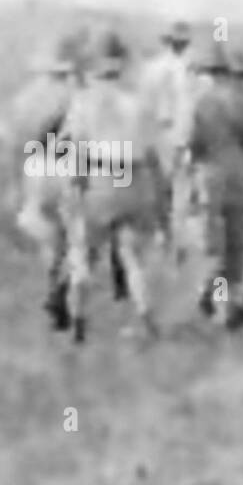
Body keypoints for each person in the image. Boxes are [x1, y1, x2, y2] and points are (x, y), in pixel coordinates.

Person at [56, 30, 163, 342]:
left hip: (100, 177)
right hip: (133, 176)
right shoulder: (138, 102)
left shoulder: (85, 102)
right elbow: (153, 152)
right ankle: (145, 317)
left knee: (84, 253)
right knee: (133, 257)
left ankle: (78, 320)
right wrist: (159, 196)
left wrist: (74, 187)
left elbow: (72, 146)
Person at [176, 42, 243, 329]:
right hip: (239, 172)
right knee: (235, 247)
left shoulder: (199, 101)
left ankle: (216, 300)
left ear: (204, 71)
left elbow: (188, 141)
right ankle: (231, 302)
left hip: (209, 175)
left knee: (214, 248)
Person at [9, 35, 84, 329]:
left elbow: (18, 139)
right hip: (65, 164)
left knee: (48, 234)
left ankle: (53, 285)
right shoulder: (73, 97)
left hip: (35, 165)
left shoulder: (25, 99)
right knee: (73, 234)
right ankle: (65, 292)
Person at [137, 19, 196, 255]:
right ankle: (176, 240)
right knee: (180, 190)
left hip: (158, 133)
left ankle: (164, 236)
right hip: (179, 133)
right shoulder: (189, 70)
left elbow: (144, 105)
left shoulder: (151, 68)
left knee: (160, 189)